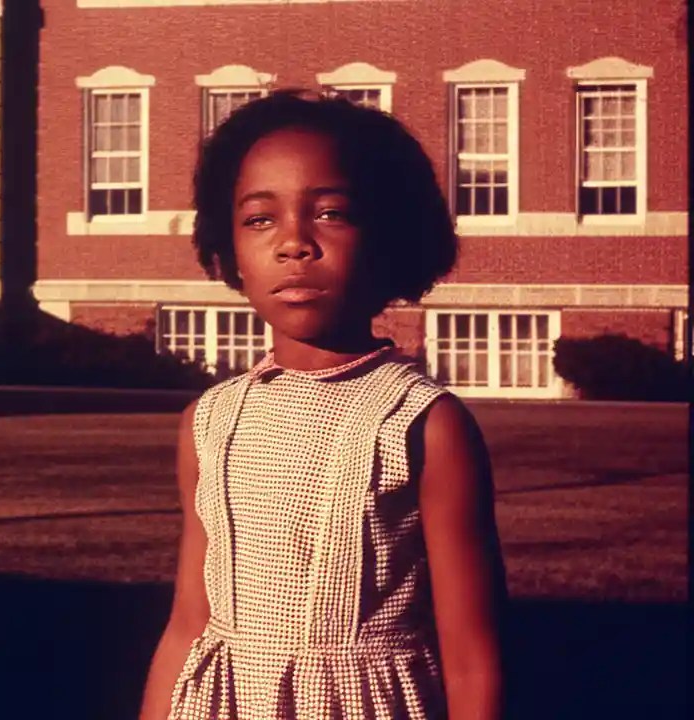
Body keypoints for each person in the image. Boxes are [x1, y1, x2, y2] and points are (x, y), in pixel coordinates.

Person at [137, 91, 507, 720]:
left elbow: (473, 654)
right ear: (227, 252)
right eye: (260, 219)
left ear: (391, 238)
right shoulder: (211, 422)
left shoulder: (423, 423)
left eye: (331, 213)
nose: (294, 244)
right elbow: (188, 623)